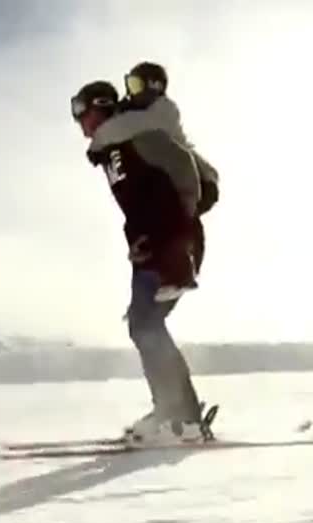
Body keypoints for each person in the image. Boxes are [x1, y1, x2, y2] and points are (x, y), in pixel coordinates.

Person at [71, 79, 208, 445]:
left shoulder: (133, 136)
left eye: (81, 110)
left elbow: (182, 179)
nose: (79, 120)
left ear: (101, 106)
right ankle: (175, 411)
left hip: (168, 244)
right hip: (152, 245)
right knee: (144, 324)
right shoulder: (116, 145)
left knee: (146, 324)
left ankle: (180, 417)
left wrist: (175, 249)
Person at [87, 62, 220, 276]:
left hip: (196, 181)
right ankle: (152, 258)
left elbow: (135, 124)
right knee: (147, 213)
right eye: (129, 85)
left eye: (136, 85)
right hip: (174, 175)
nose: (131, 92)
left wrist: (99, 142)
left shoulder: (163, 109)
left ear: (155, 87)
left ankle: (180, 264)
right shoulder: (136, 112)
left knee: (172, 210)